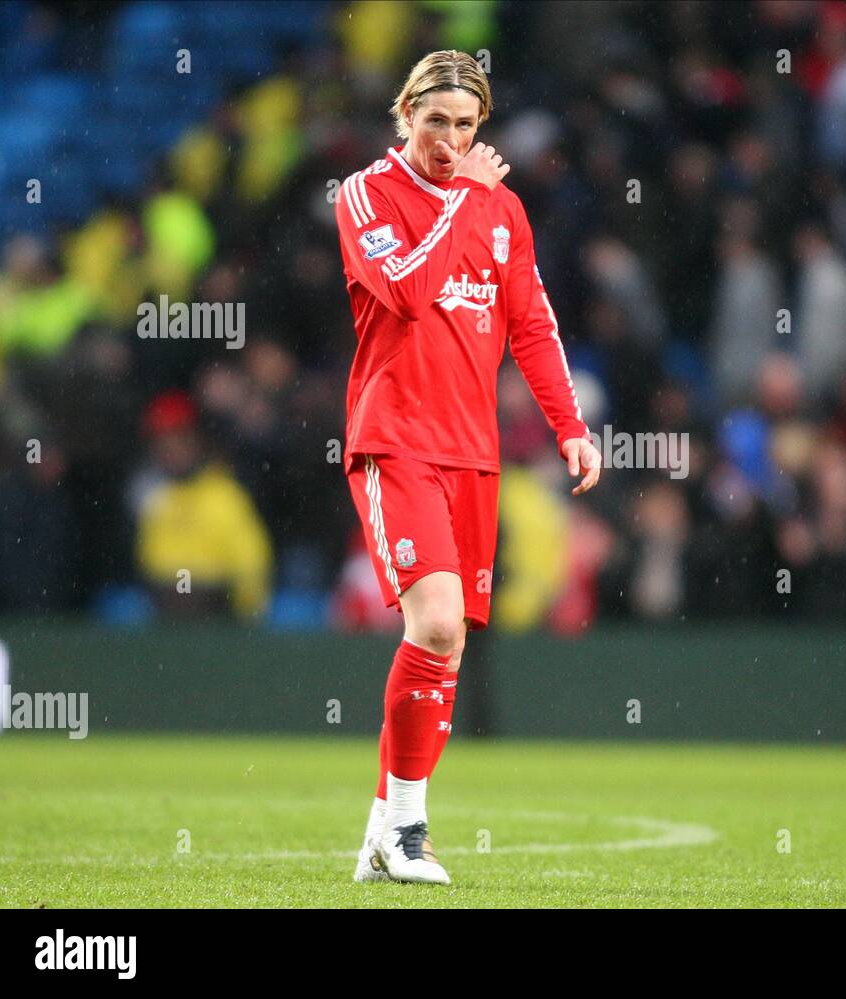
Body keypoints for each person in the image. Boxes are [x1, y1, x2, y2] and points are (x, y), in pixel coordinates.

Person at [333, 50, 601, 885]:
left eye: (466, 125)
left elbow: (532, 322)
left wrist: (570, 425)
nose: (450, 140)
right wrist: (463, 198)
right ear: (403, 114)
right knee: (437, 625)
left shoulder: (502, 211)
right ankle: (409, 830)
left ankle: (381, 832)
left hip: (473, 453)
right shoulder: (365, 195)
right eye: (436, 121)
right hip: (395, 439)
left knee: (441, 649)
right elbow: (408, 293)